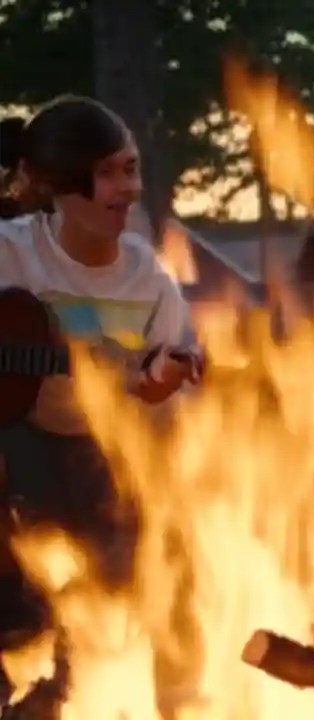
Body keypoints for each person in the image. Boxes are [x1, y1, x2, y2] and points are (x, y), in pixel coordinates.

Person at [0, 96, 198, 695]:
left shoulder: (149, 278)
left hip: (107, 460)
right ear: (57, 185)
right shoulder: (11, 252)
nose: (126, 188)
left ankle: (101, 672)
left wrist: (159, 385)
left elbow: (173, 390)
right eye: (106, 172)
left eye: (131, 168)